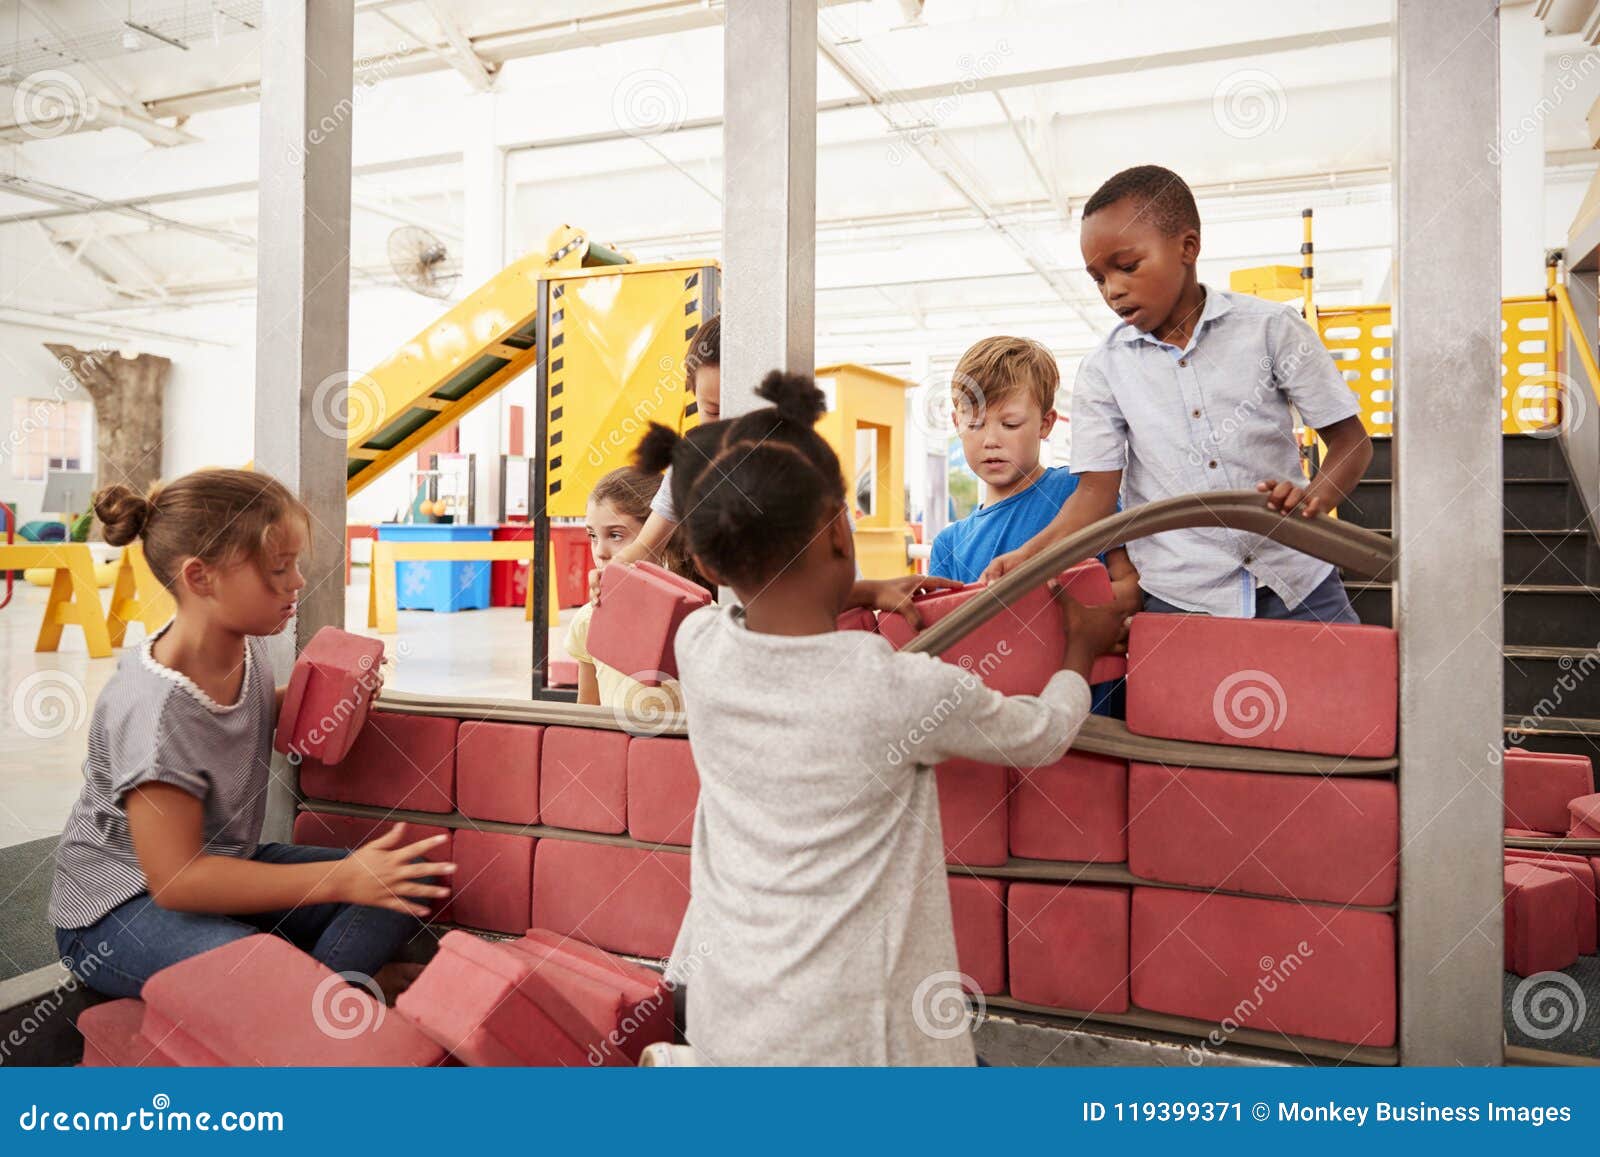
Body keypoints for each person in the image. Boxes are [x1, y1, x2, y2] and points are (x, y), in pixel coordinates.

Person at [663, 371, 1127, 1065]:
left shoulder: (698, 649)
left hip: (728, 1015)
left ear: (705, 560)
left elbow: (746, 598)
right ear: (838, 535)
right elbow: (1042, 732)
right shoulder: (899, 688)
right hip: (859, 1042)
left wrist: (864, 587)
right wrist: (1080, 651)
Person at [50, 469, 453, 999]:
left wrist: (330, 701)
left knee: (411, 876)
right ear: (201, 579)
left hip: (225, 868)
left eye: (295, 565)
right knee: (266, 968)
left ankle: (308, 992)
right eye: (277, 569)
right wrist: (340, 879)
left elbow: (245, 716)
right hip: (122, 911)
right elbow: (178, 880)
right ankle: (315, 996)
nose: (297, 582)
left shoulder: (244, 643)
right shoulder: (152, 712)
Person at [982, 165, 1373, 623]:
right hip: (1183, 600)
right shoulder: (1104, 370)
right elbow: (1094, 494)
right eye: (1098, 278)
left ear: (1188, 247)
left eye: (1127, 267)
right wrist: (1030, 555)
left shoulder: (1271, 330)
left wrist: (1315, 498)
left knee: (1346, 692)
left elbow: (1351, 442)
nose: (1113, 290)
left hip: (1298, 581)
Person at [565, 465, 692, 712]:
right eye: (593, 536)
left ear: (661, 534)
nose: (599, 551)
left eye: (615, 535)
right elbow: (587, 712)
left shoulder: (700, 619)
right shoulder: (588, 620)